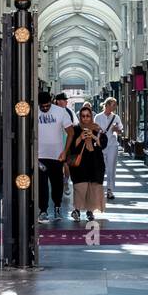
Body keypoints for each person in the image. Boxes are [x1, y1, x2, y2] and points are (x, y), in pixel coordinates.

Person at [35, 90, 74, 223]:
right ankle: (43, 210)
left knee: (57, 183)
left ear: (51, 102)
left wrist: (65, 151)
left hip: (57, 156)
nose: (45, 108)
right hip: (40, 156)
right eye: (43, 106)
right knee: (41, 184)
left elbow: (71, 132)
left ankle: (57, 207)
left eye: (47, 106)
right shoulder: (33, 112)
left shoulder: (60, 112)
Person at [68, 104, 108, 222]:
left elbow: (103, 144)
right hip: (80, 164)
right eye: (83, 116)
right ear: (80, 117)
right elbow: (71, 146)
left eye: (88, 116)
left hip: (95, 162)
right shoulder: (75, 129)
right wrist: (80, 137)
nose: (85, 118)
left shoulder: (97, 128)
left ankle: (90, 211)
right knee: (80, 187)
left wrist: (94, 137)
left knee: (92, 187)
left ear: (91, 116)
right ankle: (77, 210)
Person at [93, 97, 124, 201]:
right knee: (100, 168)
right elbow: (94, 130)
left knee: (111, 168)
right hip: (101, 146)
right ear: (107, 105)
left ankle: (110, 190)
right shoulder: (98, 117)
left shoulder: (116, 117)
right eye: (113, 105)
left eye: (115, 105)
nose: (115, 107)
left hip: (112, 145)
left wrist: (117, 130)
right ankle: (100, 189)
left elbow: (121, 131)